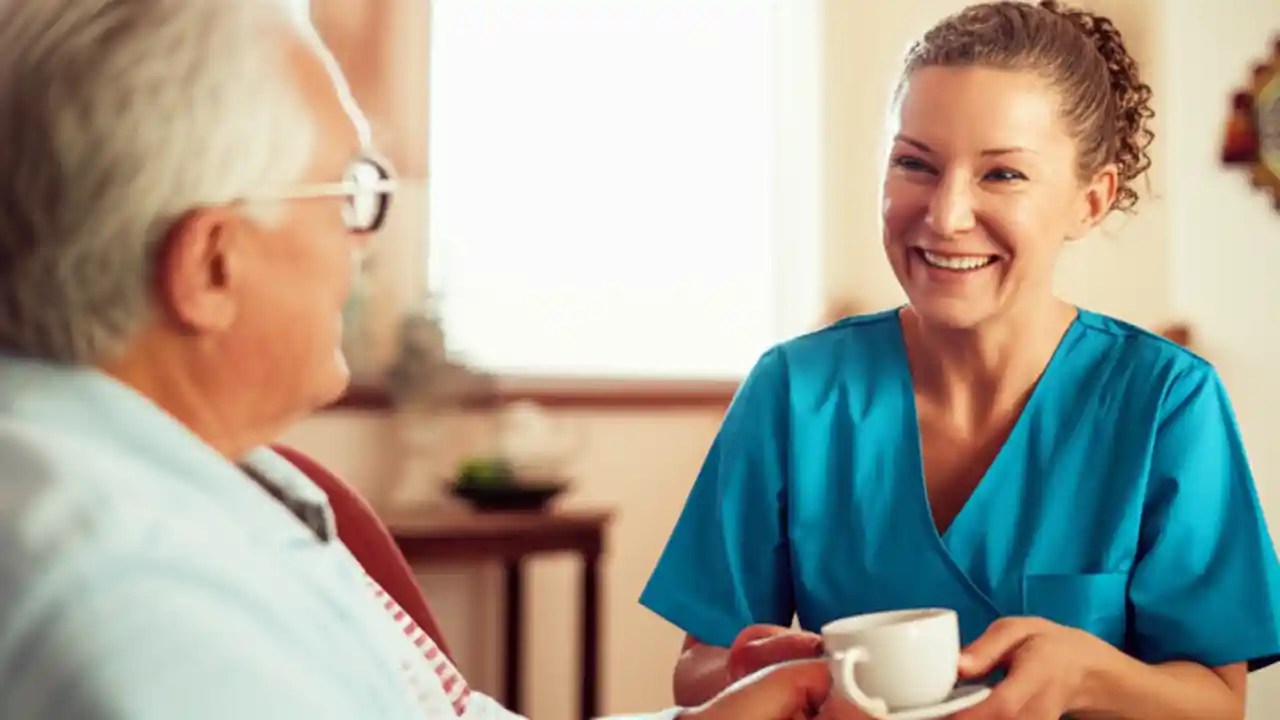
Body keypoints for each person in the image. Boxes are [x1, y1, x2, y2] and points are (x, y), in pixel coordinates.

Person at [0, 1, 856, 718]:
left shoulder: (189, 484)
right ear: (212, 264)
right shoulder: (138, 610)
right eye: (351, 193)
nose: (364, 244)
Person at [640, 1, 1280, 718]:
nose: (945, 216)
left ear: (1090, 201)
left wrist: (1084, 676)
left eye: (1002, 175)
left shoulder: (1166, 402)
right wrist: (813, 678)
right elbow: (699, 666)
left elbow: (1218, 703)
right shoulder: (794, 392)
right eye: (915, 163)